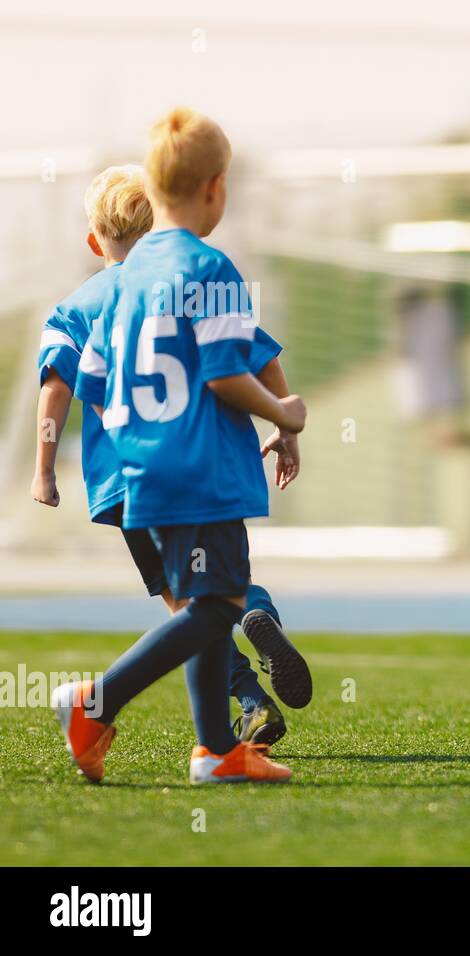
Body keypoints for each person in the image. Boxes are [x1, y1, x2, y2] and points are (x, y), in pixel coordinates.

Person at [56, 107, 309, 784]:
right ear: (216, 188)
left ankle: (216, 749)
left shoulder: (125, 278)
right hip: (201, 468)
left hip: (144, 470)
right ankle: (95, 701)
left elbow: (94, 381)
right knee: (222, 605)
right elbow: (230, 373)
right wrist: (284, 414)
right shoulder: (209, 267)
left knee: (205, 601)